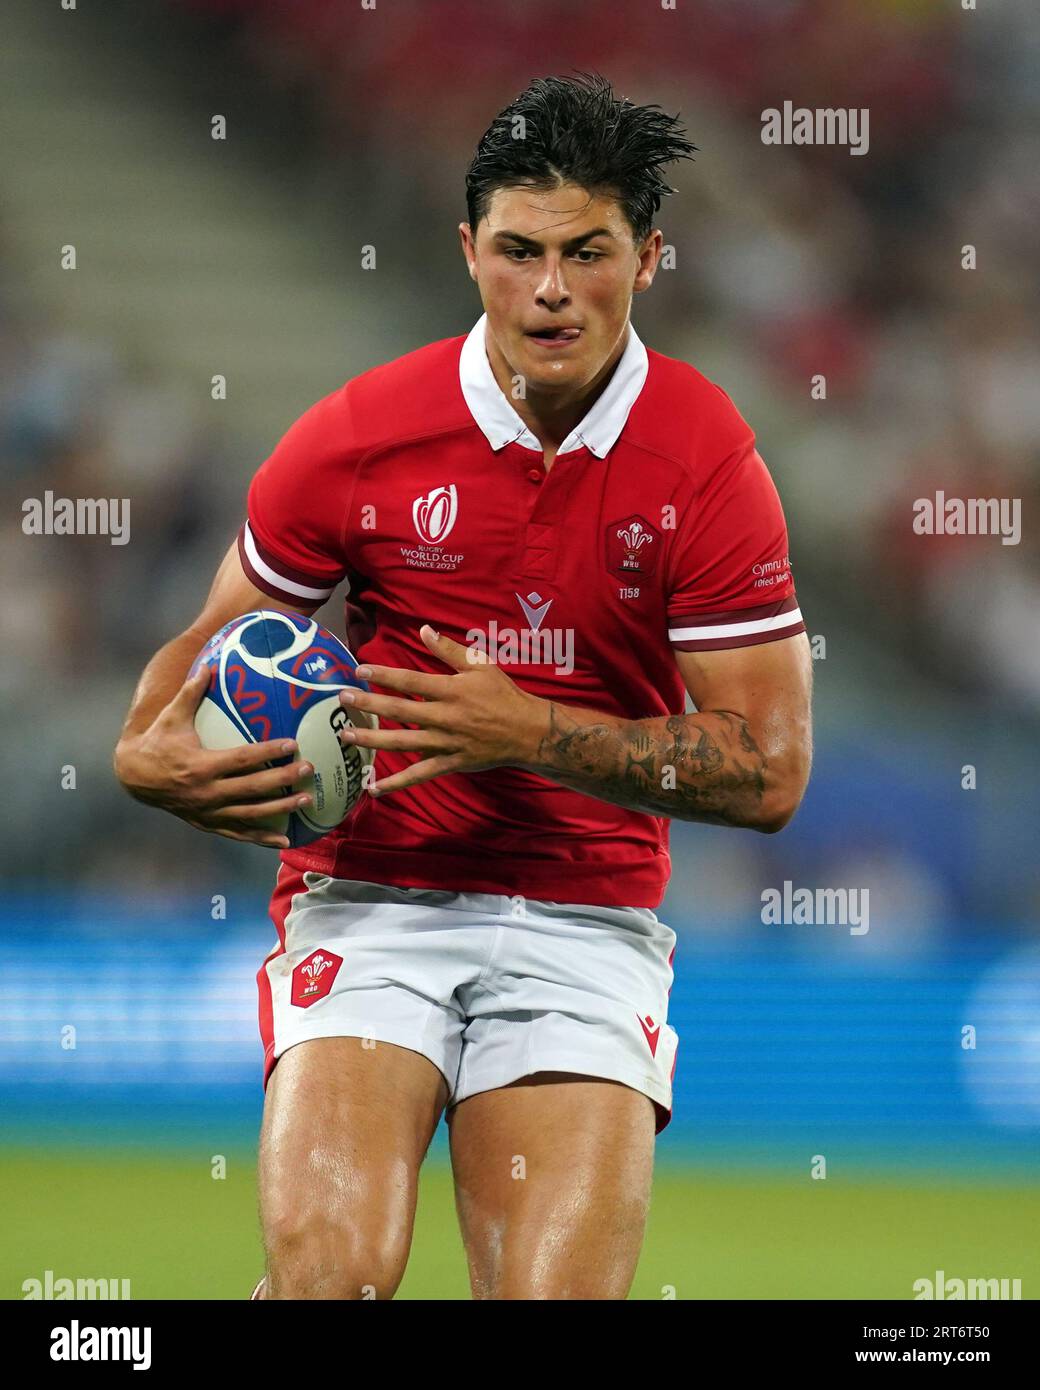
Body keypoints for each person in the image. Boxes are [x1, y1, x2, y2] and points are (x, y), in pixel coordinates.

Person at [114, 73, 812, 1300]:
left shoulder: (705, 463)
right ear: (467, 250)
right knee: (330, 1283)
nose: (550, 289)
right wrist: (144, 750)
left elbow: (767, 771)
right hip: (371, 899)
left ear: (648, 257)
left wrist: (532, 733)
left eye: (586, 252)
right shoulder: (359, 433)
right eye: (517, 250)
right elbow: (214, 642)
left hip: (582, 922)